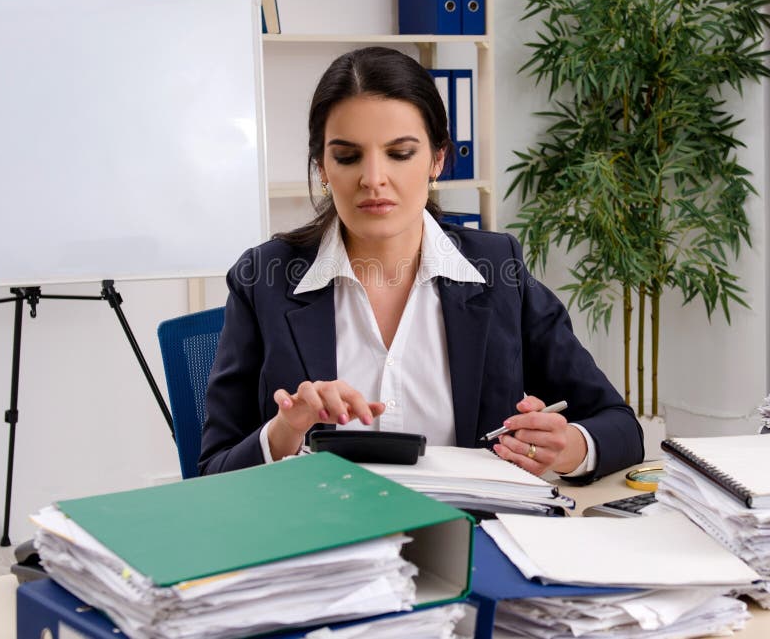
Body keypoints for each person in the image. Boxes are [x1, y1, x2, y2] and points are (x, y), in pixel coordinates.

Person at [199, 46, 644, 482]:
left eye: (400, 153)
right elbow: (212, 471)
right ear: (321, 167)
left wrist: (568, 448)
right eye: (348, 156)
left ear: (437, 160)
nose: (373, 178)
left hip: (468, 533)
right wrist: (285, 431)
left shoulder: (496, 269)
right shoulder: (264, 279)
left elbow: (620, 426)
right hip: (322, 538)